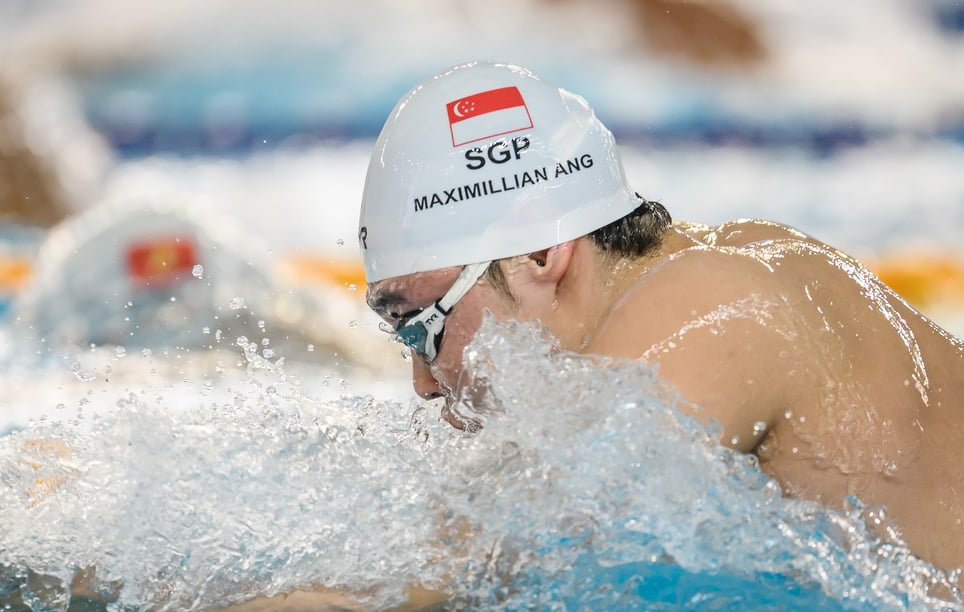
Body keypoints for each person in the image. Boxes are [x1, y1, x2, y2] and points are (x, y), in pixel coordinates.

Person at [358, 61, 964, 574]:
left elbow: (471, 576)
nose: (423, 378)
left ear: (538, 254)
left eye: (422, 322)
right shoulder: (728, 261)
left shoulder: (710, 306)